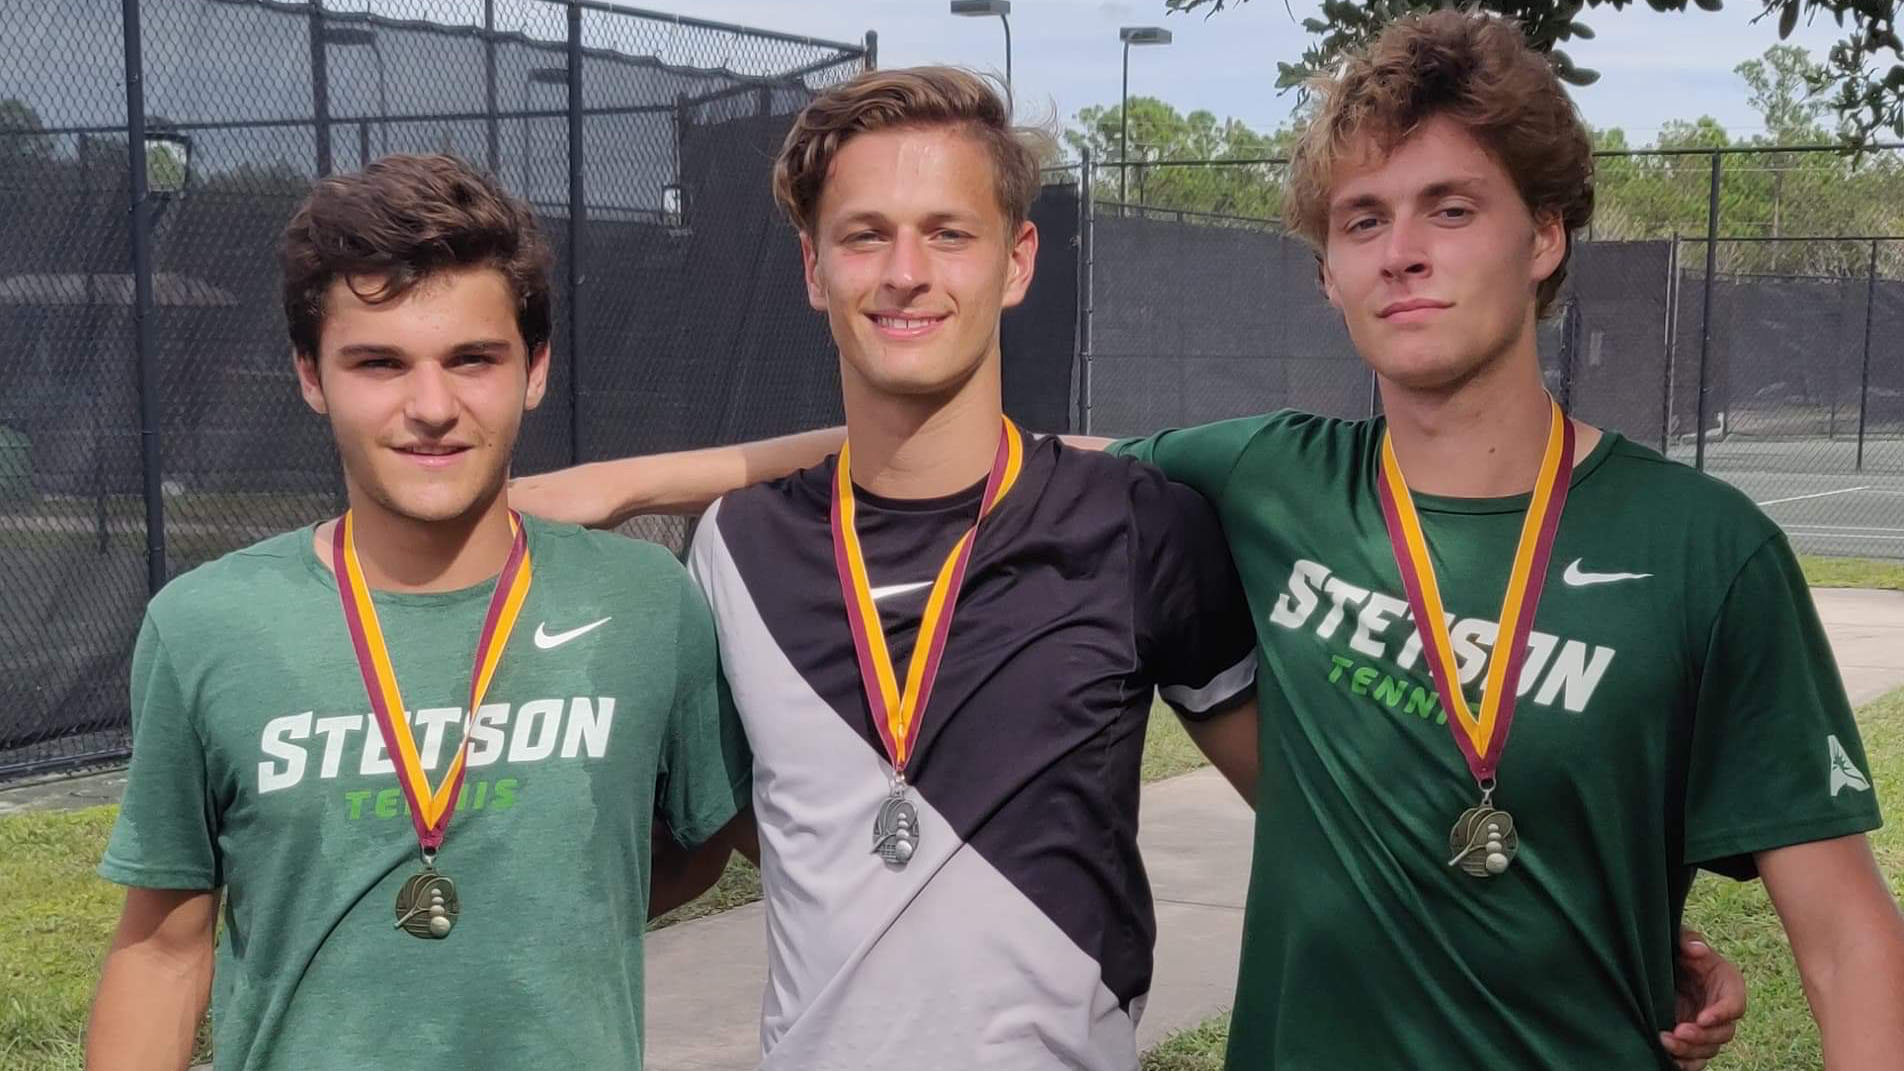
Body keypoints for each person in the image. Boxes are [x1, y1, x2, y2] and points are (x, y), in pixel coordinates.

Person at [509, 63, 1750, 1070]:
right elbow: (741, 825)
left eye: (947, 233)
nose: (904, 272)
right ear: (812, 268)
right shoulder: (734, 548)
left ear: (1016, 261)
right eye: (864, 236)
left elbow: (1327, 814)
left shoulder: (1136, 523)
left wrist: (1570, 928)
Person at [1097, 11, 1904, 1069]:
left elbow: (1847, 939)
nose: (1402, 255)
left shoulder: (1707, 550)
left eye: (1450, 208)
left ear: (1544, 236)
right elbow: (1004, 469)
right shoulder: (1263, 477)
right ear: (1328, 273)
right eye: (1362, 221)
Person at [84, 154, 749, 1071]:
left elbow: (703, 840)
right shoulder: (205, 625)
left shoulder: (645, 601)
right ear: (311, 375)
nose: (431, 406)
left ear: (535, 368)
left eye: (473, 359)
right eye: (379, 363)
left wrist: (547, 918)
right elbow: (162, 949)